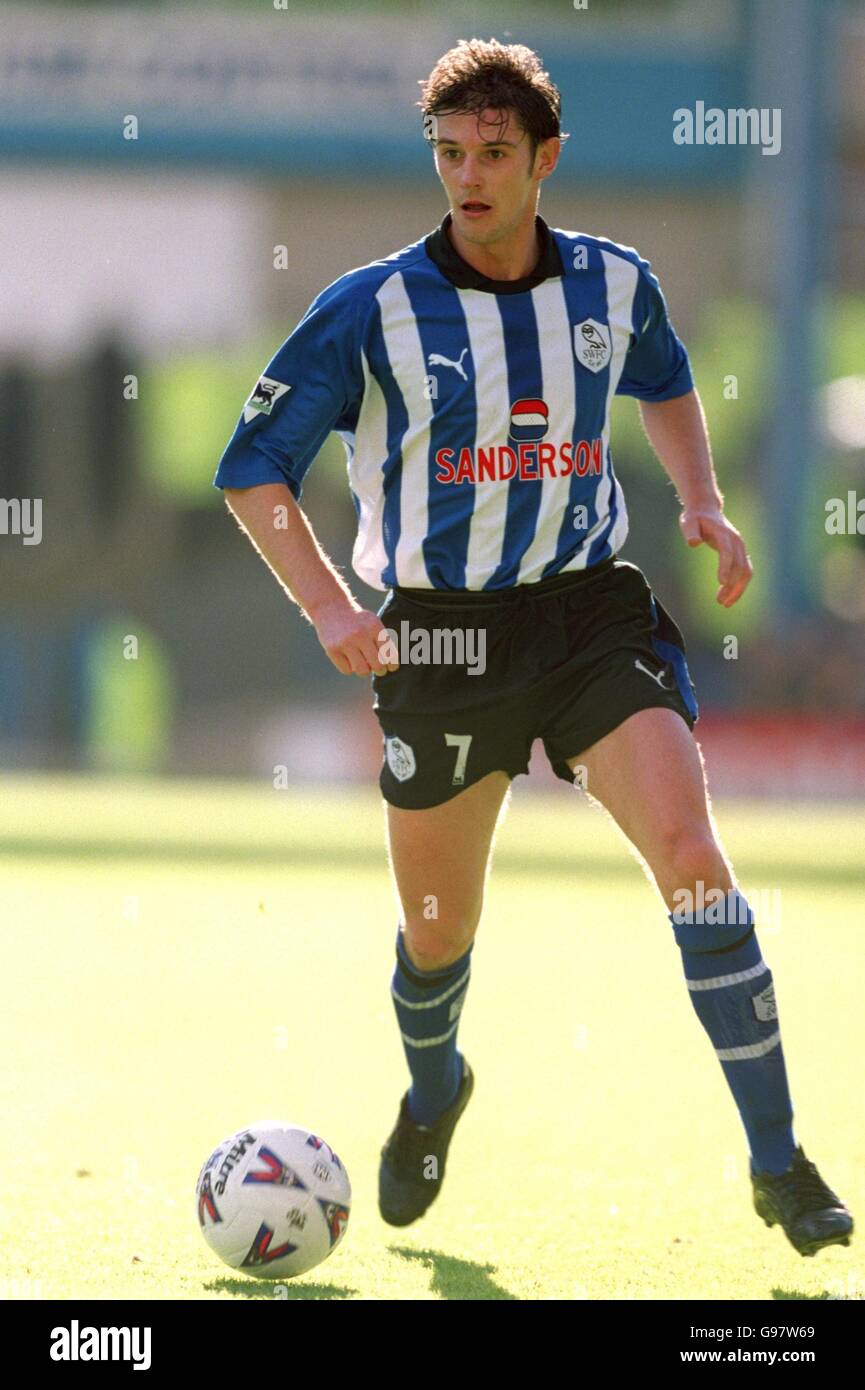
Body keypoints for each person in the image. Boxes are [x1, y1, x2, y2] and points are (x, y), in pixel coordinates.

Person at [214, 38, 853, 1257]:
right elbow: (252, 473)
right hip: (440, 638)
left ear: (544, 159)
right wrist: (333, 612)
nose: (467, 175)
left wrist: (699, 500)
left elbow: (663, 382)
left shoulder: (615, 285)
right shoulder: (369, 309)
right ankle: (436, 1084)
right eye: (448, 153)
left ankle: (779, 1160)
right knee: (440, 933)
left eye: (493, 153)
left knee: (691, 852)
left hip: (587, 611)